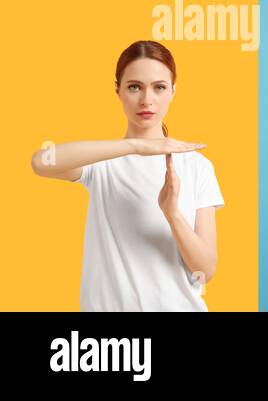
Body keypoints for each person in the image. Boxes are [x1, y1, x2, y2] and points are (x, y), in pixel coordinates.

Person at [31, 40, 223, 311]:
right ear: (118, 91)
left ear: (172, 91)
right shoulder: (101, 162)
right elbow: (41, 162)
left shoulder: (197, 166)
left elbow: (205, 270)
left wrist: (172, 214)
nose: (147, 100)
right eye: (134, 87)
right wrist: (134, 146)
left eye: (159, 87)